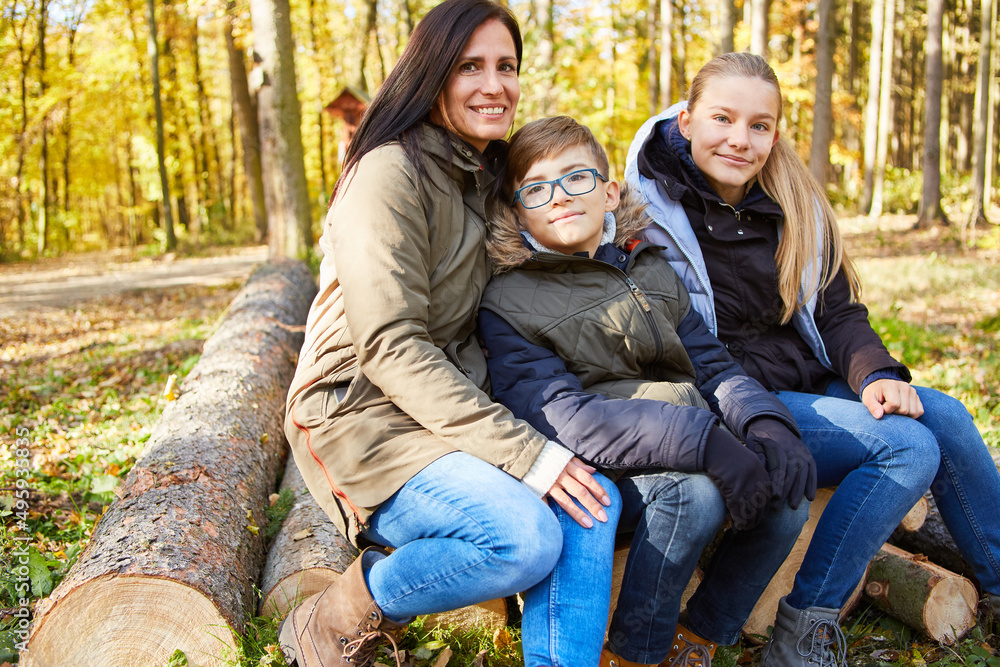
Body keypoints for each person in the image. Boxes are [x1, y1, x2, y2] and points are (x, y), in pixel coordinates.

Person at [625, 51, 1000, 667]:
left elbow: (836, 308)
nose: (740, 140)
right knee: (908, 448)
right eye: (722, 118)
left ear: (776, 133)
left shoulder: (789, 198)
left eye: (759, 125)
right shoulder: (644, 211)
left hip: (806, 379)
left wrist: (875, 373)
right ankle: (804, 628)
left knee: (949, 418)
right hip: (731, 398)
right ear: (686, 121)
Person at [280, 3, 619, 667]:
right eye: (471, 67)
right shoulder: (388, 174)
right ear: (433, 75)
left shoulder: (489, 173)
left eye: (507, 67)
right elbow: (391, 346)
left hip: (454, 402)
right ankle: (339, 614)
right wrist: (527, 454)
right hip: (360, 415)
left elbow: (563, 235)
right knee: (522, 538)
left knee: (589, 502)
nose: (495, 85)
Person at [478, 115, 816, 667]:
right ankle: (636, 653)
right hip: (599, 469)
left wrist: (764, 422)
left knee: (788, 495)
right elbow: (567, 418)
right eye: (536, 189)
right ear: (518, 213)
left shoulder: (648, 265)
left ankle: (701, 635)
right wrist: (705, 441)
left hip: (686, 436)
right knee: (693, 496)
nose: (560, 196)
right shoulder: (508, 302)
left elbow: (712, 364)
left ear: (610, 192)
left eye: (577, 178)